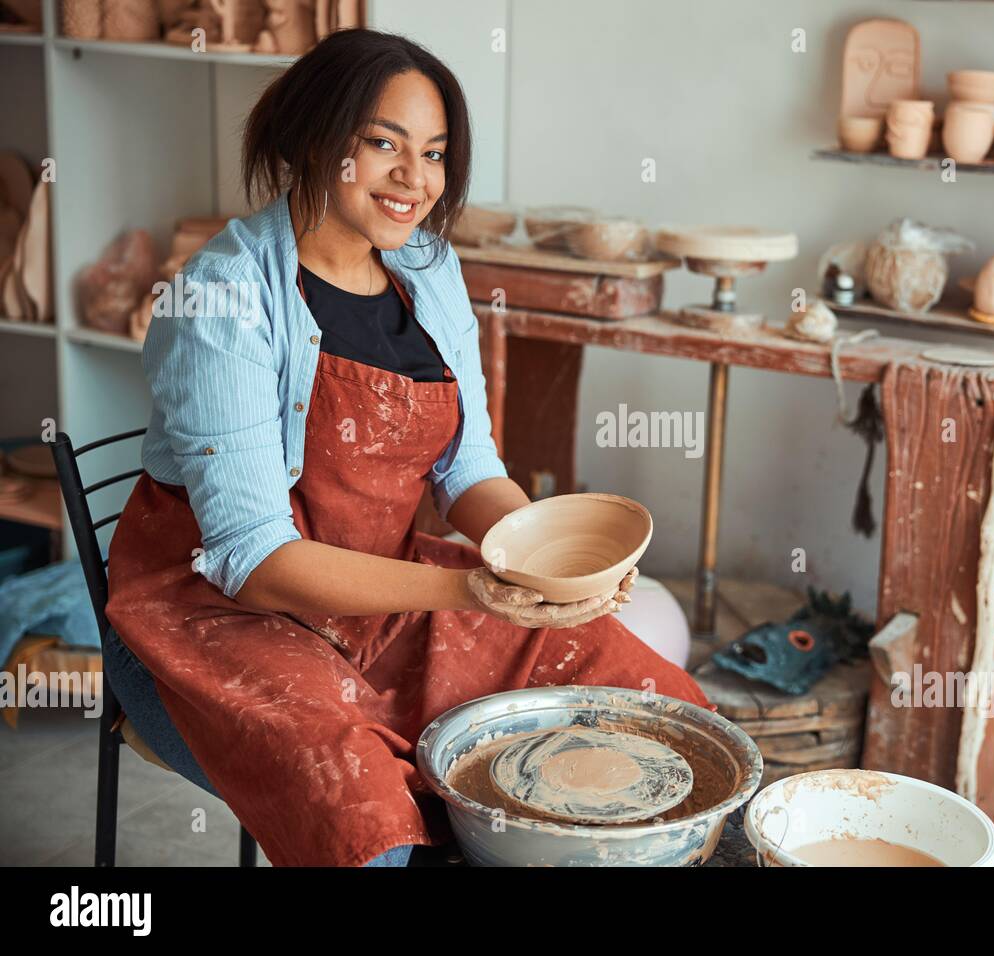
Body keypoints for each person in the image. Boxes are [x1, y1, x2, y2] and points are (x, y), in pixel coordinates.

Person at [103, 29, 710, 867]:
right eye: (384, 143)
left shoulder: (426, 267)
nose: (416, 179)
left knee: (659, 709)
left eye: (433, 152)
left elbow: (469, 472)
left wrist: (548, 562)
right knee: (369, 811)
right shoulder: (225, 296)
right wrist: (472, 588)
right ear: (315, 136)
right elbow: (255, 559)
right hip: (213, 620)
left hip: (382, 595)